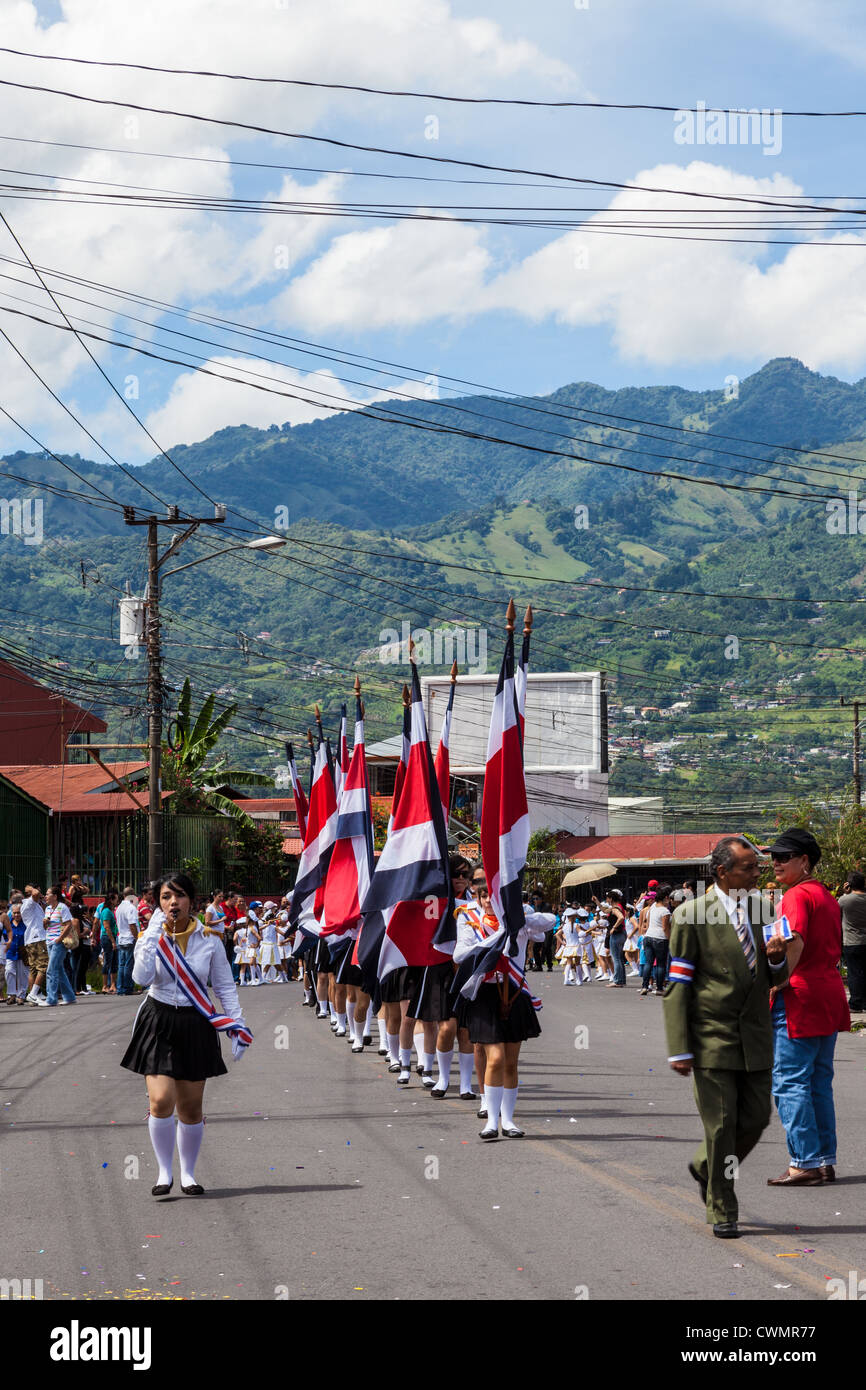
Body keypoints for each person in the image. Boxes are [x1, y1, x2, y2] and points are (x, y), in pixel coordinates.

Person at [663, 835, 788, 1239]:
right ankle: (722, 1207)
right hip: (711, 1037)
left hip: (755, 1035)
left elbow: (776, 976)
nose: (757, 873)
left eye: (757, 866)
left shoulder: (763, 909)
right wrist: (678, 1047)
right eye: (749, 868)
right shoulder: (691, 915)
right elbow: (678, 985)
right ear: (722, 872)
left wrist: (776, 957)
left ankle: (704, 1166)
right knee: (721, 1126)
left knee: (755, 1118)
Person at [121, 871, 249, 1196]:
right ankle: (164, 1172)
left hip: (196, 1023)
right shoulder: (152, 937)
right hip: (158, 1020)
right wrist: (150, 935)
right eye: (166, 897)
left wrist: (236, 1023)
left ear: (192, 901)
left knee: (190, 1108)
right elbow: (140, 976)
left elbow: (223, 986)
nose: (172, 902)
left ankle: (188, 1174)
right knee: (161, 1099)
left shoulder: (210, 940)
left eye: (179, 895)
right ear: (158, 902)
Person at [765, 828, 851, 1187]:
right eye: (774, 857)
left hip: (799, 995)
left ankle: (804, 1161)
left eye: (784, 857)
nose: (776, 863)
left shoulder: (797, 896)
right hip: (827, 992)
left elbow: (793, 942)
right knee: (817, 1081)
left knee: (789, 1081)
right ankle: (823, 1159)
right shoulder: (826, 896)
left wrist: (777, 980)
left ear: (805, 861)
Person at [455, 872, 551, 1141]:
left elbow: (547, 924)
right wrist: (495, 937)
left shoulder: (516, 922)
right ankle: (491, 1120)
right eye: (484, 896)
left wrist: (517, 917)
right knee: (494, 1057)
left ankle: (508, 1121)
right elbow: (459, 954)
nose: (488, 902)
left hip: (514, 994)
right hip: (485, 995)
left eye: (494, 897)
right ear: (478, 897)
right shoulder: (470, 921)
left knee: (510, 1062)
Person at [837, 871, 866, 1014]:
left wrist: (845, 893)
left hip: (852, 942)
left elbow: (836, 914)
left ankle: (855, 1003)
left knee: (854, 973)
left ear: (849, 884)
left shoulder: (844, 900)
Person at [44, 885, 78, 1006]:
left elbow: (69, 924)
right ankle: (69, 997)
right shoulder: (47, 909)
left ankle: (51, 999)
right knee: (59, 970)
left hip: (59, 943)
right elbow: (45, 926)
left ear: (55, 896)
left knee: (51, 970)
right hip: (49, 941)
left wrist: (60, 938)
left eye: (48, 894)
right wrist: (45, 922)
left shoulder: (62, 907)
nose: (45, 896)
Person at [640, 884, 673, 996]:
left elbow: (648, 922)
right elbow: (665, 928)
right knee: (660, 964)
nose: (669, 901)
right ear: (665, 898)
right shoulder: (665, 912)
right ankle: (659, 988)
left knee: (648, 963)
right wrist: (670, 939)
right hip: (660, 939)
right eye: (668, 899)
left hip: (648, 936)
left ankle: (644, 986)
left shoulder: (652, 907)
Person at [22, 885, 49, 1006]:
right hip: (37, 939)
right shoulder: (29, 903)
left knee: (33, 970)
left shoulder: (34, 905)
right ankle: (33, 994)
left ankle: (34, 995)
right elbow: (35, 892)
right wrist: (31, 889)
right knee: (43, 966)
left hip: (32, 939)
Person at [115, 887, 140, 996]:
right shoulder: (131, 908)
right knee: (129, 965)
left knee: (121, 965)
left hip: (121, 939)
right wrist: (137, 938)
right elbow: (132, 925)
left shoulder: (119, 907)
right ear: (132, 895)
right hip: (130, 939)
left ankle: (120, 988)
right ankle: (128, 988)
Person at [4, 899, 28, 1005]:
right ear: (12, 913)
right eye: (15, 913)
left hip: (23, 953)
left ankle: (21, 996)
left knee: (23, 974)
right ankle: (11, 994)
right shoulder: (8, 924)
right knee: (9, 971)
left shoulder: (26, 924)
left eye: (19, 912)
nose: (17, 914)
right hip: (10, 952)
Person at [95, 890, 119, 994]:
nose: (117, 901)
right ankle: (105, 985)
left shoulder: (111, 911)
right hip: (107, 938)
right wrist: (113, 941)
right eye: (116, 899)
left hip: (111, 937)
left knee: (113, 961)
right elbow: (106, 927)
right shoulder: (106, 911)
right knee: (107, 962)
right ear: (111, 900)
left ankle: (113, 985)